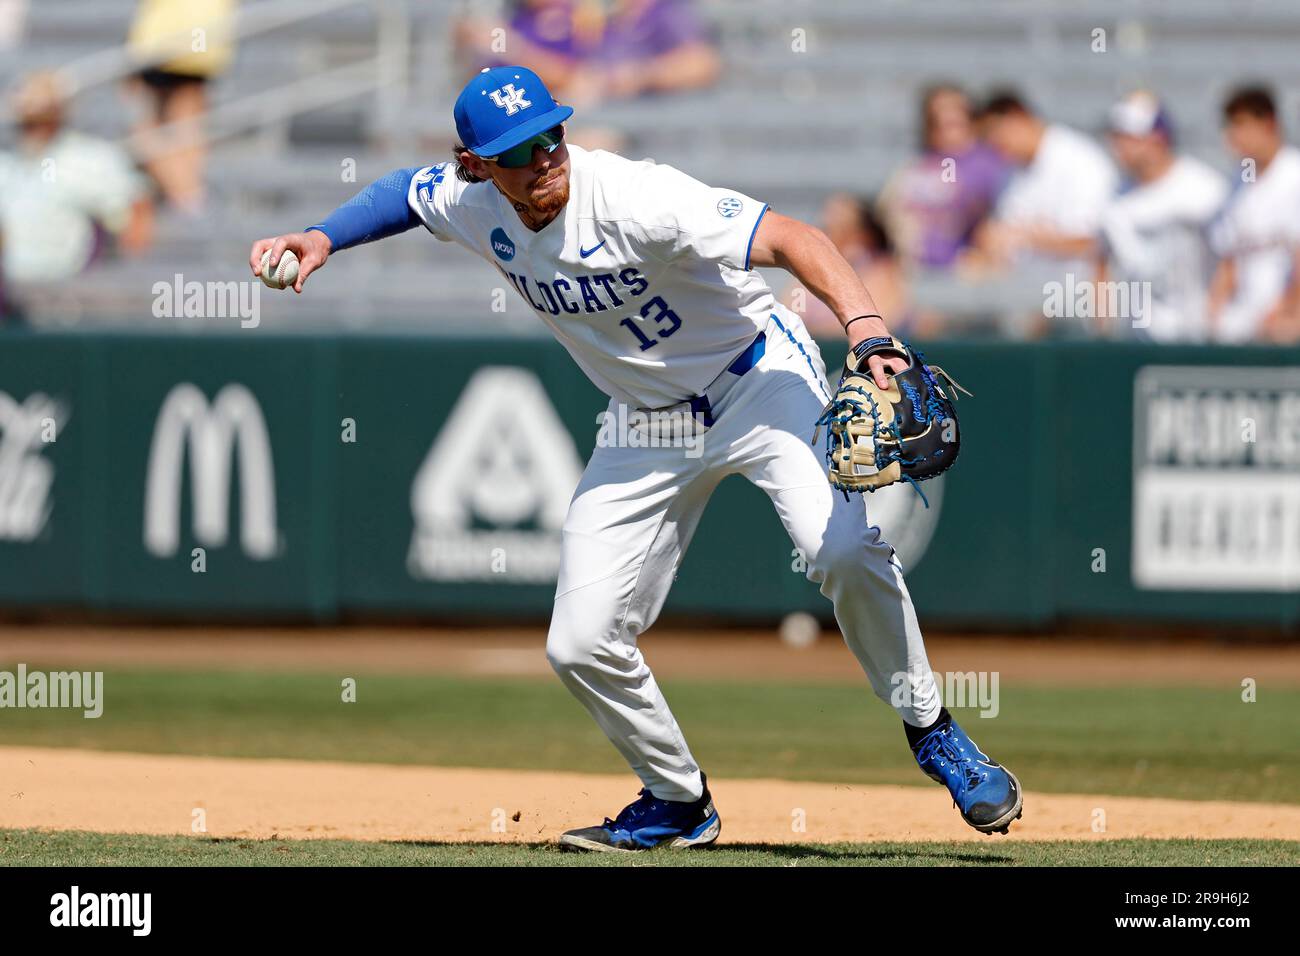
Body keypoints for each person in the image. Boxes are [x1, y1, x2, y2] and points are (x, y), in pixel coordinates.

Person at [249, 65, 1022, 852]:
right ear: (479, 164)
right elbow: (403, 194)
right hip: (643, 424)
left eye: (552, 135)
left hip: (759, 379)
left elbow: (795, 238)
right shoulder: (474, 202)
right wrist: (320, 238)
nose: (545, 158)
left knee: (845, 548)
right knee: (578, 642)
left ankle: (931, 730)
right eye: (520, 151)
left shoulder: (632, 195)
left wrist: (864, 328)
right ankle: (678, 799)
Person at [0, 72, 153, 287]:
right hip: (12, 291)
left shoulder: (89, 160)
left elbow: (136, 213)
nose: (34, 125)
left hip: (71, 289)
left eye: (42, 114)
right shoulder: (8, 163)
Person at [1097, 92, 1228, 341]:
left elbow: (1230, 261)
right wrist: (1104, 325)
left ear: (1158, 138)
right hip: (1137, 337)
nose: (1118, 146)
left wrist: (1213, 318)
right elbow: (1102, 263)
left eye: (1128, 137)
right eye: (1116, 137)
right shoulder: (1114, 197)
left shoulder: (1204, 189)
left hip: (1197, 334)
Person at [457, 0, 719, 108]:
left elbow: (572, 76)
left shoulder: (578, 17)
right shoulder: (520, 21)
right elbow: (488, 66)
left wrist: (512, 48)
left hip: (611, 118)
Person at [969, 92, 1117, 275]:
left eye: (994, 132)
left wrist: (1021, 237)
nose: (993, 143)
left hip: (1075, 294)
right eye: (986, 137)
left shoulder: (1081, 160)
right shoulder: (1008, 174)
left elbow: (1092, 242)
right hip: (1024, 295)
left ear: (1018, 116)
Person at [878, 84, 1008, 270]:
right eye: (936, 121)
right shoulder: (917, 165)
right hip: (911, 265)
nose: (945, 128)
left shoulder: (988, 164)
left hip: (963, 264)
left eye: (953, 120)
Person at [1207, 86, 1300, 343]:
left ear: (1268, 124)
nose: (1233, 135)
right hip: (1247, 321)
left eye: (1241, 125)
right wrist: (1214, 312)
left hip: (1285, 325)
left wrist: (1290, 310)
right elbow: (1229, 259)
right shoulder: (1237, 184)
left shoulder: (1294, 174)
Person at [127, 0, 237, 213]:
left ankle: (187, 198)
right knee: (187, 128)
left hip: (164, 42)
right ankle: (189, 196)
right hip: (204, 41)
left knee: (149, 130)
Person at [782, 193, 913, 339]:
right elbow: (790, 316)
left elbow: (876, 324)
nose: (831, 233)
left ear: (865, 235)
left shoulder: (881, 271)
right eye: (826, 226)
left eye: (842, 227)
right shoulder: (808, 271)